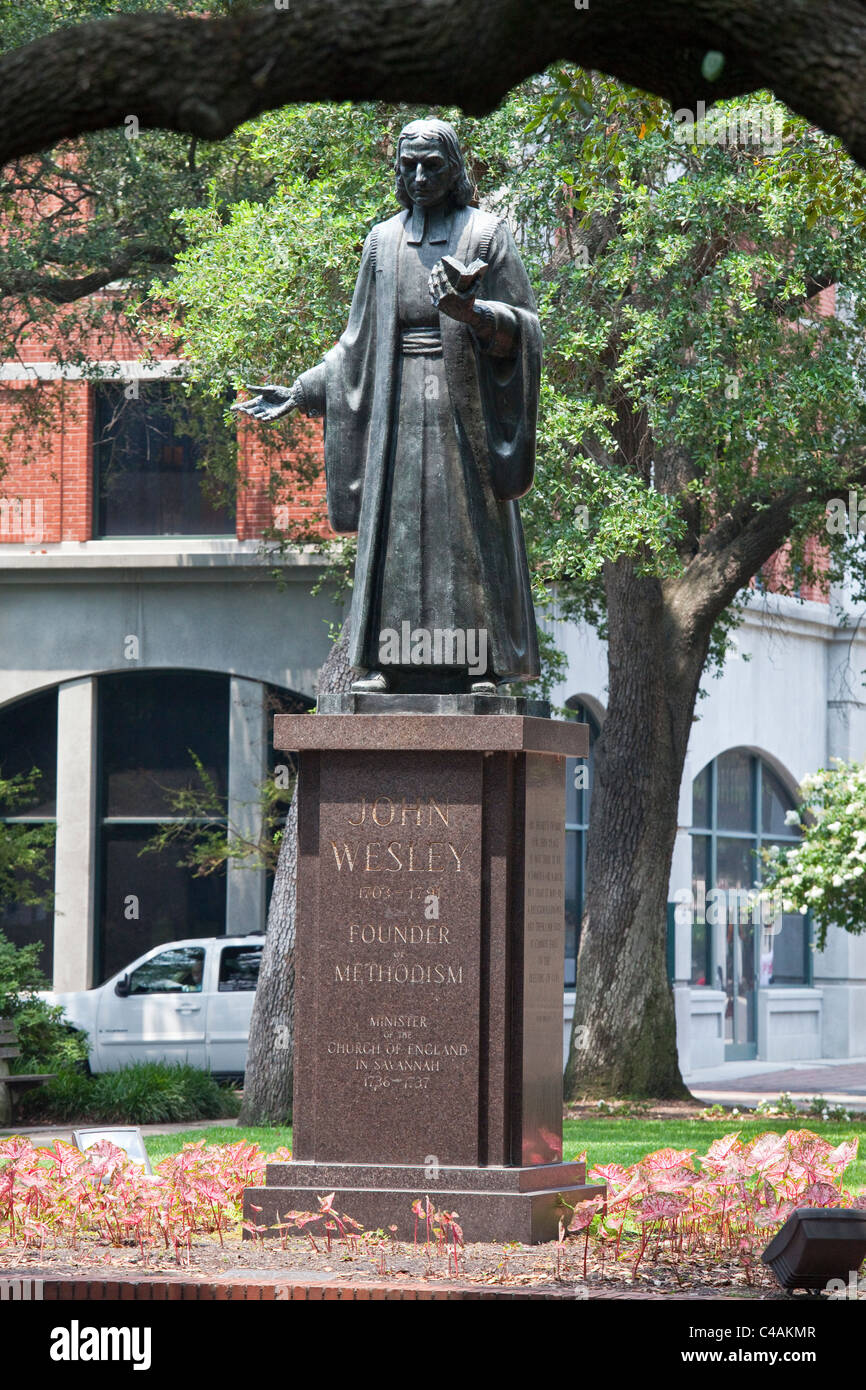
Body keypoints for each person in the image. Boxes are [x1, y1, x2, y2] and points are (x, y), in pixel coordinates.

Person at [234, 118, 542, 694]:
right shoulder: (383, 241)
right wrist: (300, 391)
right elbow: (356, 346)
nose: (420, 176)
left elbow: (524, 329)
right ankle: (389, 662)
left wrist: (473, 315)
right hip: (396, 410)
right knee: (396, 533)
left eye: (433, 165)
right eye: (409, 165)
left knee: (464, 531)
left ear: (455, 170)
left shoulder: (486, 234)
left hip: (462, 411)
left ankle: (479, 665)